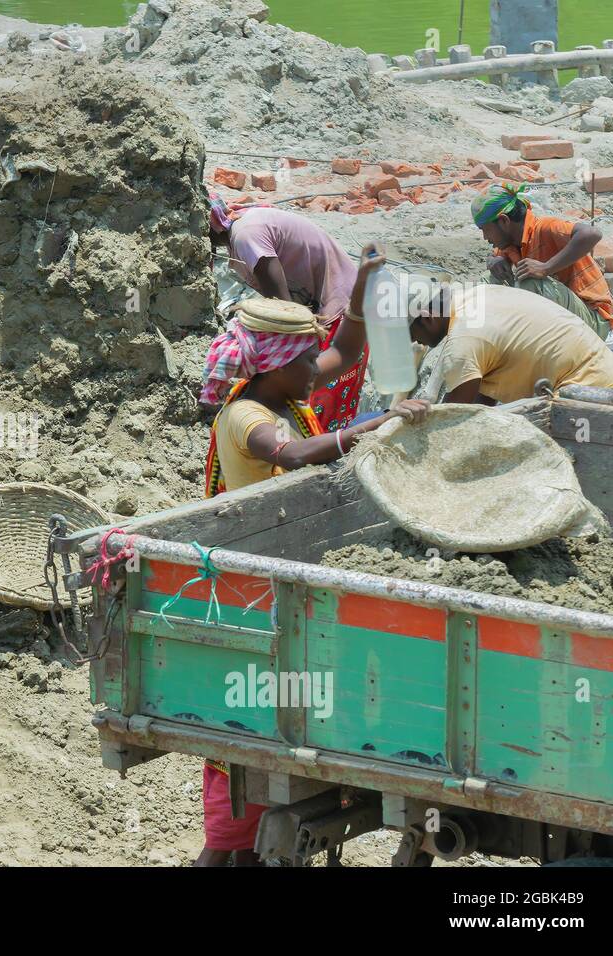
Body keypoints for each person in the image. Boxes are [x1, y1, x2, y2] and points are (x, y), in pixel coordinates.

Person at [194, 245, 430, 866]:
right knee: (231, 803)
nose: (315, 369)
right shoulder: (247, 417)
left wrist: (362, 290)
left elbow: (346, 352)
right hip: (253, 578)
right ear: (275, 366)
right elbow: (294, 457)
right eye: (303, 359)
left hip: (284, 565)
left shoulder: (285, 397)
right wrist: (376, 422)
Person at [208, 197, 366, 431]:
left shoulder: (245, 235)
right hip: (331, 310)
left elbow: (283, 307)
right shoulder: (242, 231)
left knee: (314, 399)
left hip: (339, 309)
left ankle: (316, 456)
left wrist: (271, 360)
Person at [407, 278, 613, 406]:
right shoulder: (478, 294)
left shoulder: (462, 342)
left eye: (411, 333)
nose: (415, 341)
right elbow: (482, 399)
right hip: (610, 377)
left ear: (427, 317)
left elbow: (453, 415)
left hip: (587, 399)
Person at [473, 183, 613, 339]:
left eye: (485, 230)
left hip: (592, 322)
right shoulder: (511, 243)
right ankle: (482, 338)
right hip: (566, 320)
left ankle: (526, 345)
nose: (485, 238)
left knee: (530, 284)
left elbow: (591, 233)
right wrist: (494, 261)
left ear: (504, 221)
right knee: (488, 280)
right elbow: (496, 259)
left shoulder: (545, 227)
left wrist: (547, 267)